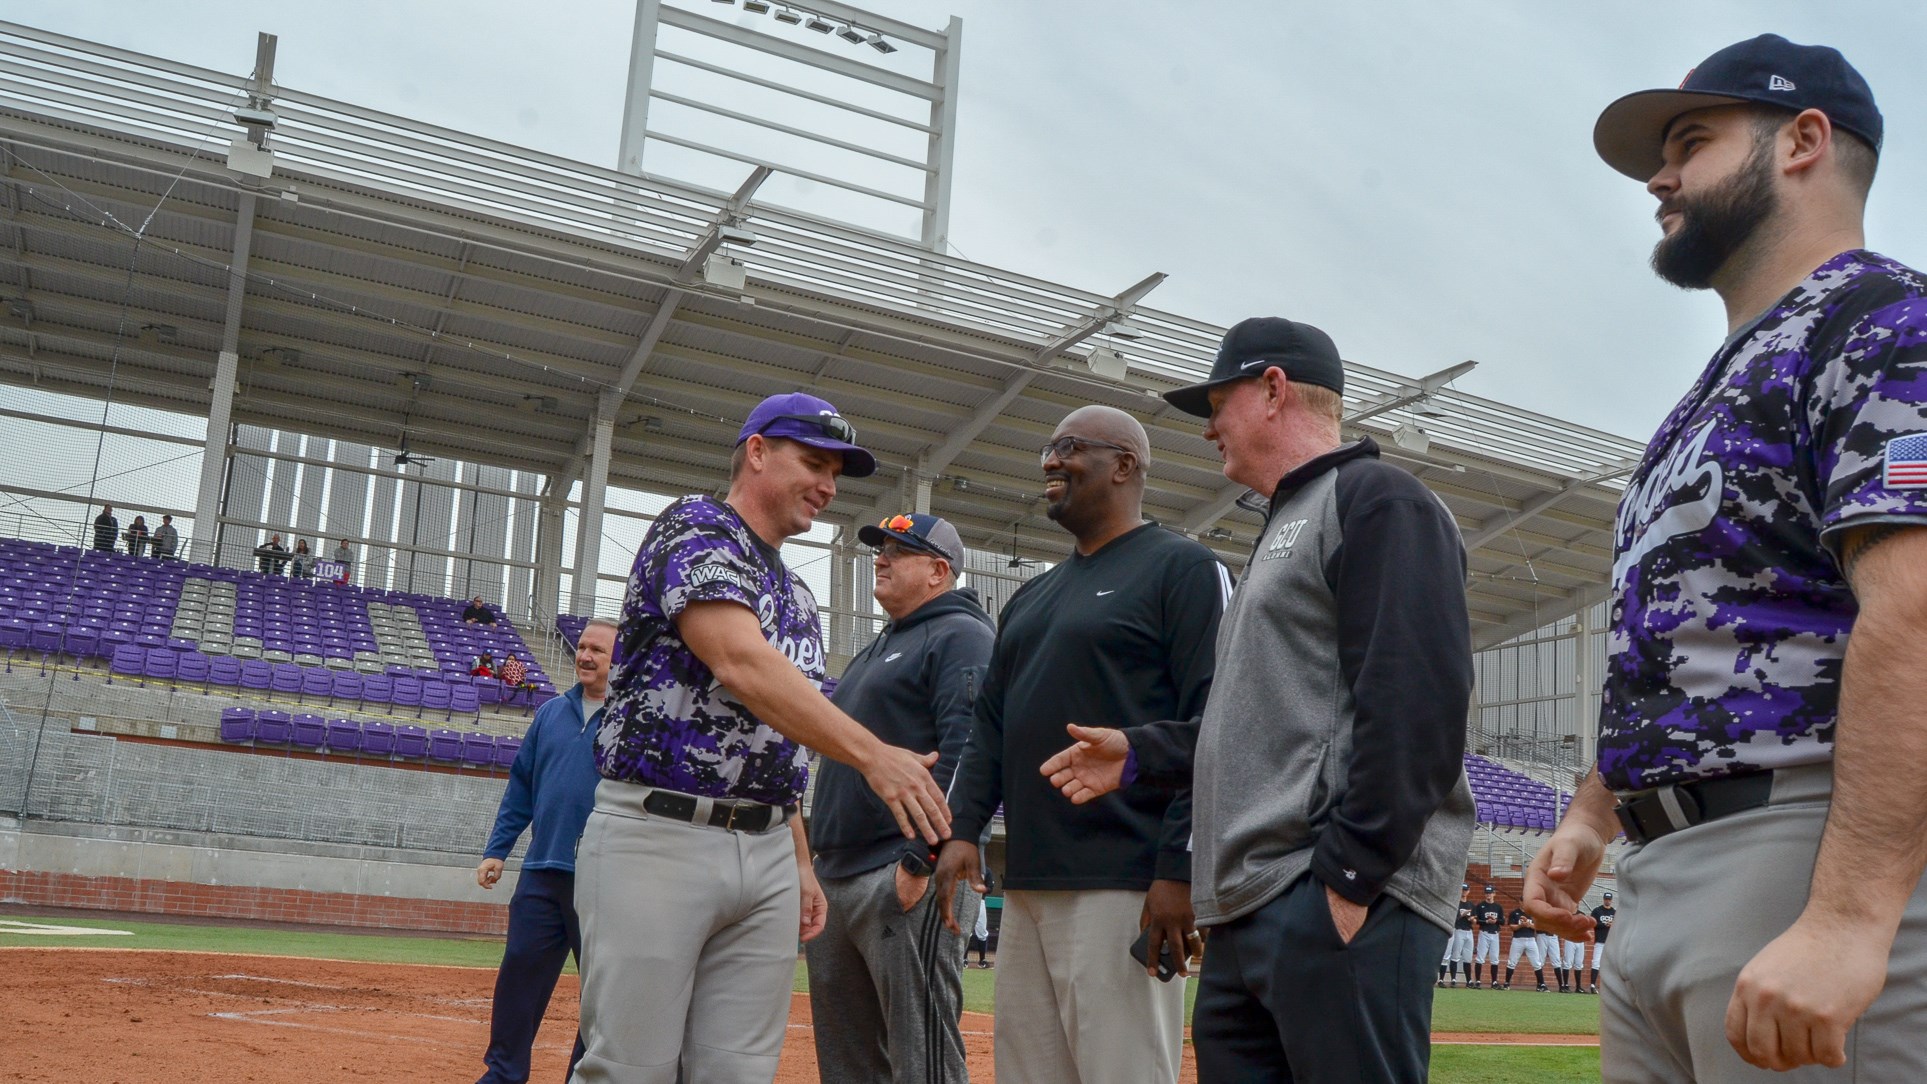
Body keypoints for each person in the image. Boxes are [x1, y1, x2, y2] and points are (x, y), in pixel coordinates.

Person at [1524, 33, 1927, 1079]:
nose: (1659, 175)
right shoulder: (1709, 390)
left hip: (1801, 844)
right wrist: (1590, 811)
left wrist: (1847, 914)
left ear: (1802, 141)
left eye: (1691, 140)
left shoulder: (1884, 321)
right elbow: (1678, 628)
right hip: (1661, 871)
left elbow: (1918, 606)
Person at [1037, 317, 1475, 1081]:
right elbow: (1268, 720)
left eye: (1217, 402)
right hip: (1248, 901)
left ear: (1272, 389)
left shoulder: (1378, 498)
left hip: (1328, 892)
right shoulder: (1284, 522)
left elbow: (1416, 701)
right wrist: (1142, 752)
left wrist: (1347, 877)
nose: (1208, 428)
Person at [572, 392, 950, 1084]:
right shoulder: (695, 526)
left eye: (835, 472)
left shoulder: (799, 598)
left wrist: (799, 860)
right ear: (756, 451)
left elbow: (779, 741)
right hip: (662, 834)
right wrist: (874, 756)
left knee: (738, 1073)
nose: (828, 486)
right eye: (812, 462)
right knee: (630, 1069)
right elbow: (739, 662)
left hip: (769, 846)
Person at [931, 405, 1228, 1084]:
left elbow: (1215, 724)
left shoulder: (1181, 568)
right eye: (1047, 447)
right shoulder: (1029, 598)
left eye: (1068, 448)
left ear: (1124, 465)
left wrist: (1177, 868)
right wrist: (962, 828)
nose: (1049, 461)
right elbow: (991, 726)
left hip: (1124, 882)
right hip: (1031, 881)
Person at [804, 512, 994, 1084]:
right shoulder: (878, 646)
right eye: (880, 548)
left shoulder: (962, 634)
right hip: (839, 872)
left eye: (898, 551)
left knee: (924, 1061)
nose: (880, 558)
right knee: (849, 1064)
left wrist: (923, 860)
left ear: (939, 571)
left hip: (901, 871)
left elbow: (972, 752)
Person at [473, 617, 616, 1084]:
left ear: (621, 662)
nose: (586, 656)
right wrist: (498, 849)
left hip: (603, 881)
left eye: (598, 650)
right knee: (518, 978)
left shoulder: (633, 723)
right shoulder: (550, 713)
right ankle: (503, 1074)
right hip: (541, 872)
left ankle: (585, 1077)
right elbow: (521, 787)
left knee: (599, 993)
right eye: (583, 647)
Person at [1503, 903, 1548, 992]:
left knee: (1536, 963)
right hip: (1518, 939)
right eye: (1522, 901)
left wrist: (1529, 924)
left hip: (1530, 939)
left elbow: (1538, 926)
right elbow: (1512, 926)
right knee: (1512, 962)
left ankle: (1541, 984)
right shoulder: (1515, 913)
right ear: (1520, 902)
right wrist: (1520, 926)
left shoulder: (1532, 913)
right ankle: (1506, 983)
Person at [1440, 884, 1475, 989]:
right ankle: (1451, 979)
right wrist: (1462, 915)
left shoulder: (1471, 904)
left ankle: (1469, 980)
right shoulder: (1455, 904)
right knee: (1453, 955)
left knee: (1468, 957)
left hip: (1468, 930)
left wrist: (1472, 919)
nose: (1464, 892)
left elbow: (1475, 919)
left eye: (1466, 890)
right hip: (1458, 929)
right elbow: (1452, 918)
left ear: (1468, 891)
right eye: (1462, 890)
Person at [1472, 885, 1506, 990]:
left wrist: (1496, 921)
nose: (1488, 895)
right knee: (1480, 957)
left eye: (1490, 893)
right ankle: (1477, 981)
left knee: (1495, 958)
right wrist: (1486, 921)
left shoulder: (1498, 907)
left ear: (1494, 894)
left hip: (1495, 933)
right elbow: (1477, 920)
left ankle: (1494, 982)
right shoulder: (1481, 906)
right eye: (1487, 893)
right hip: (1484, 932)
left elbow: (1503, 922)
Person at [1589, 891, 1616, 995]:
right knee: (1596, 962)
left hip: (1611, 942)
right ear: (1603, 899)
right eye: (1606, 899)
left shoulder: (1615, 912)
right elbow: (1593, 923)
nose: (1607, 901)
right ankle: (1592, 985)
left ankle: (1608, 988)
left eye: (1609, 899)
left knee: (1610, 965)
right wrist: (1606, 924)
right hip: (1600, 940)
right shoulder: (1597, 911)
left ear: (1611, 900)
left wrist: (1613, 924)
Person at [968, 898, 992, 969]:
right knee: (966, 931)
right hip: (967, 898)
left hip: (980, 900)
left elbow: (989, 888)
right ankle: (963, 959)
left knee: (982, 932)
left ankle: (982, 960)